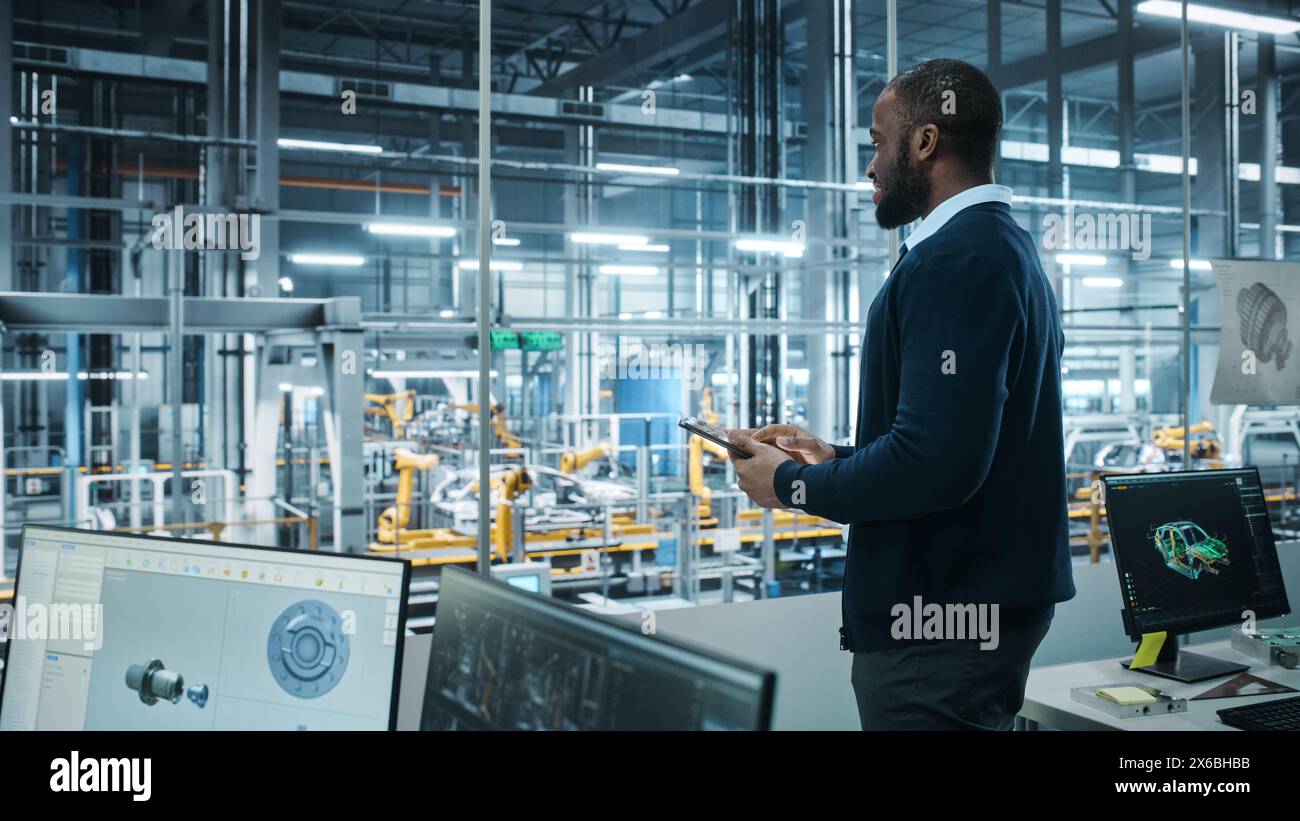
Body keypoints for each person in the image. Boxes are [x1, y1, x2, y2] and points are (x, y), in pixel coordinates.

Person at [727, 58, 1075, 730]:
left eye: (878, 141)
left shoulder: (957, 261)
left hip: (938, 630)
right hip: (964, 616)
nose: (870, 166)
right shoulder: (1002, 248)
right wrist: (833, 457)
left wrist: (794, 487)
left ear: (924, 143)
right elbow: (958, 440)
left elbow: (935, 465)